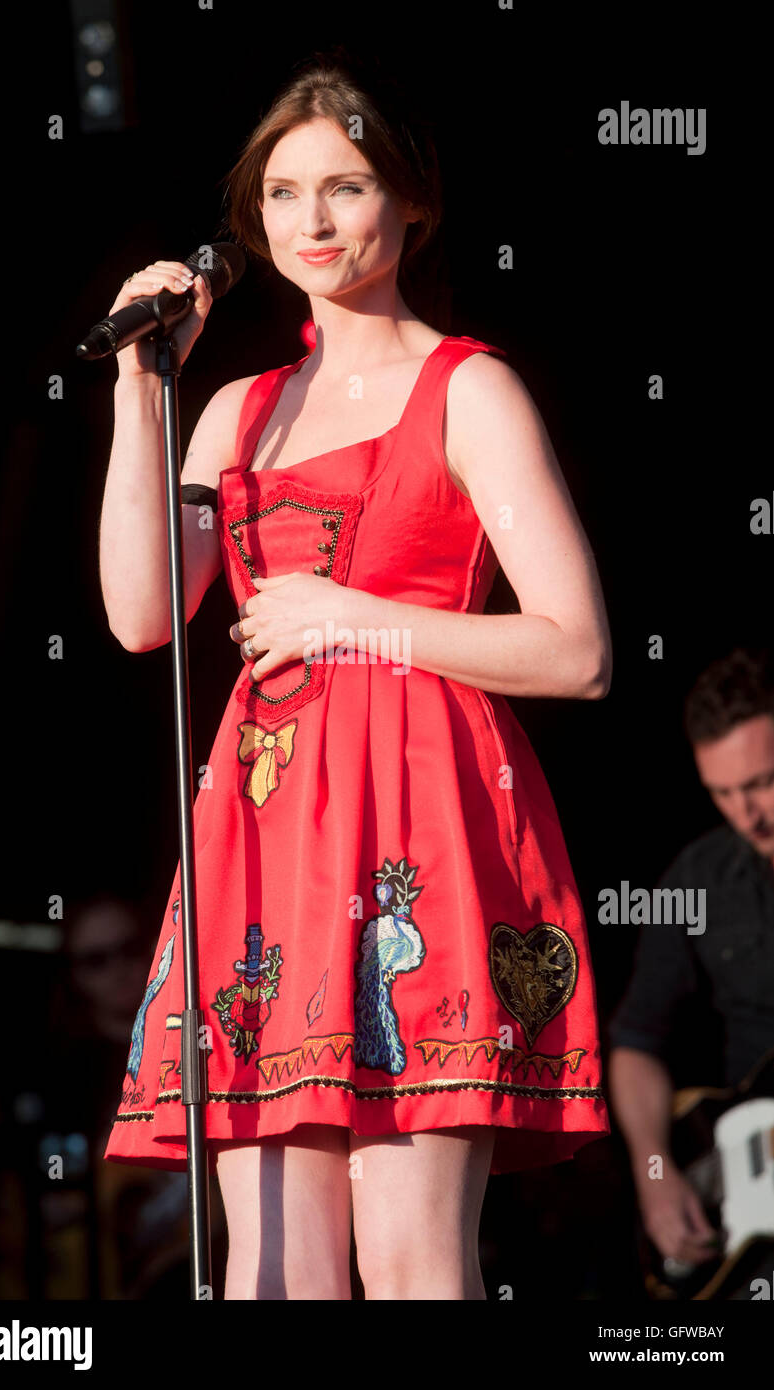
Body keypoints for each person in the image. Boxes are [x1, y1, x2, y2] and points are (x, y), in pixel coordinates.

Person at [98, 50, 613, 1300]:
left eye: (344, 185)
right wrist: (138, 387)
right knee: (277, 1271)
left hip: (417, 831)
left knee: (412, 1258)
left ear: (411, 204)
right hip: (266, 839)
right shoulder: (233, 411)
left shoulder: (468, 389)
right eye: (281, 193)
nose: (311, 220)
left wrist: (357, 620)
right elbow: (138, 615)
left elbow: (576, 648)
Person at [608, 646, 774, 1287]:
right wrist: (655, 1169)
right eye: (723, 793)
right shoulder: (699, 879)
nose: (746, 813)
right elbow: (636, 1039)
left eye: (762, 782)